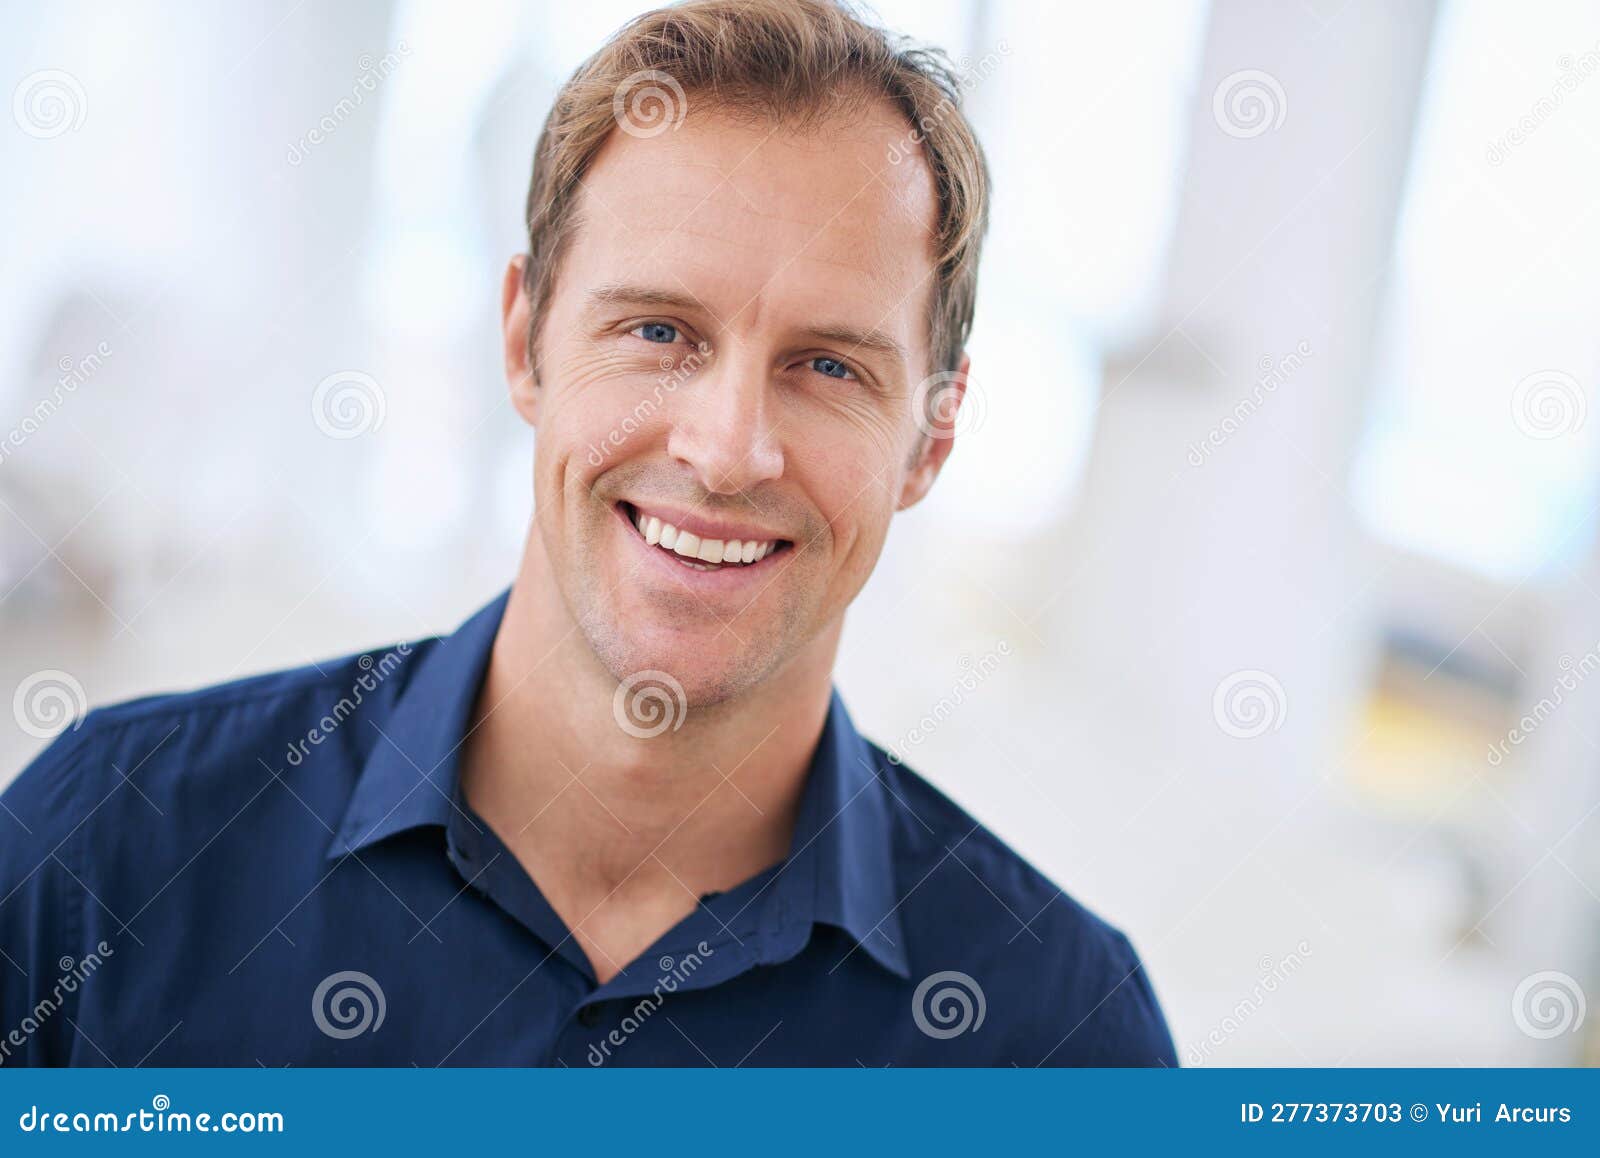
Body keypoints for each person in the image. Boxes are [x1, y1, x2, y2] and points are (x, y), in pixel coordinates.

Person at [0, 0, 1175, 1066]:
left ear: (930, 438)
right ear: (525, 342)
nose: (726, 451)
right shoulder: (110, 850)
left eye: (827, 365)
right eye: (660, 332)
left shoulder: (1061, 1036)